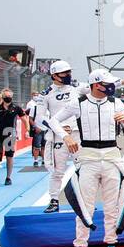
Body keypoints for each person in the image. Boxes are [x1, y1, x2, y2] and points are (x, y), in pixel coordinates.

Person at [51, 70, 124, 247]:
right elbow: (53, 120)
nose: (110, 87)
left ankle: (111, 244)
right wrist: (66, 137)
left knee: (112, 205)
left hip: (111, 156)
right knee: (85, 206)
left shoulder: (117, 103)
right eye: (106, 83)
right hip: (88, 157)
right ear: (95, 84)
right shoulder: (79, 103)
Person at [37, 60, 81, 212]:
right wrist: (59, 129)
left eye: (69, 72)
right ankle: (54, 200)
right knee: (57, 171)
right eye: (65, 72)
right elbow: (39, 119)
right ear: (54, 75)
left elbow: (98, 88)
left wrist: (120, 82)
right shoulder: (46, 94)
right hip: (58, 137)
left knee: (83, 168)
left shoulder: (77, 87)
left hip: (77, 134)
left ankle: (84, 201)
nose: (68, 75)